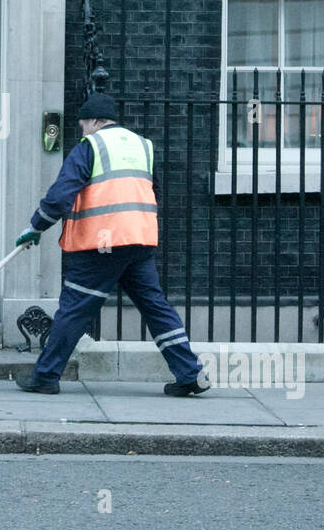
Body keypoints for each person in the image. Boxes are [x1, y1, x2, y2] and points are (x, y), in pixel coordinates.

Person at [13, 92, 209, 397]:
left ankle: (46, 376)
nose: (82, 130)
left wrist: (36, 226)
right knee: (156, 308)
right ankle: (190, 373)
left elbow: (60, 195)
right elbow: (151, 189)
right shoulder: (143, 146)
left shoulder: (90, 146)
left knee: (74, 309)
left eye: (82, 125)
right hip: (139, 241)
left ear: (93, 121)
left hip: (101, 246)